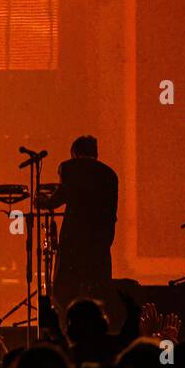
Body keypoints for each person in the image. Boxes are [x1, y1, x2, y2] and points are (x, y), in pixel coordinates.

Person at [44, 135, 118, 315]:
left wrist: (41, 202)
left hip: (74, 243)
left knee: (64, 292)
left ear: (75, 153)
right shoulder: (110, 174)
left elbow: (58, 199)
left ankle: (66, 330)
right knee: (97, 294)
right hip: (100, 243)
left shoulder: (70, 167)